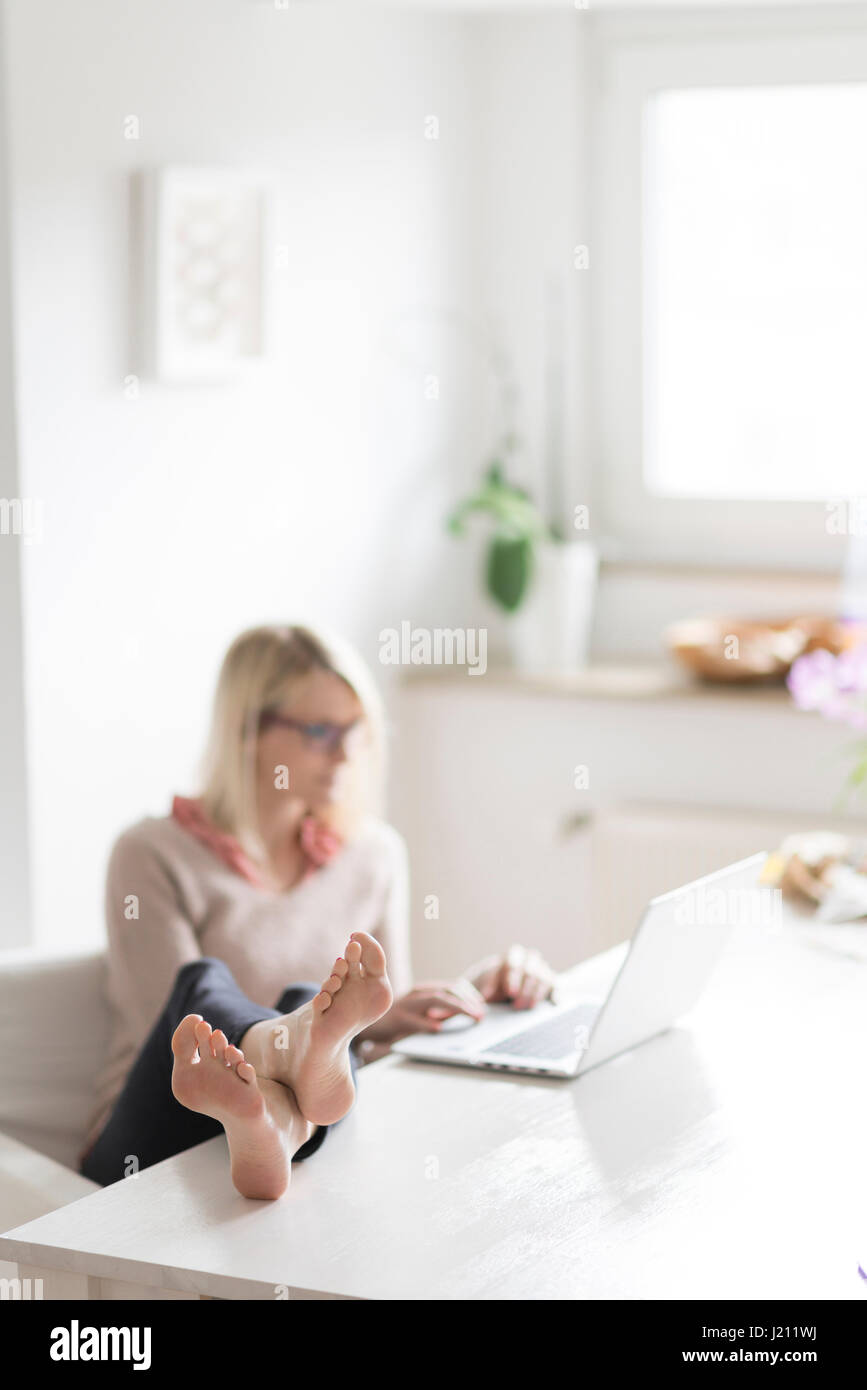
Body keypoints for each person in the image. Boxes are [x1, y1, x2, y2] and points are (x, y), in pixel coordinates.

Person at [79, 623, 556, 1200]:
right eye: (320, 731)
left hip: (282, 1147)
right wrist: (305, 1037)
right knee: (211, 987)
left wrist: (467, 997)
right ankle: (288, 1071)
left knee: (323, 1021)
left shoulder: (373, 855)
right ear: (249, 730)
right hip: (153, 1145)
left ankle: (280, 1118)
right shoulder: (152, 853)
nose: (346, 754)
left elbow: (371, 1030)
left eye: (356, 730)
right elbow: (178, 1045)